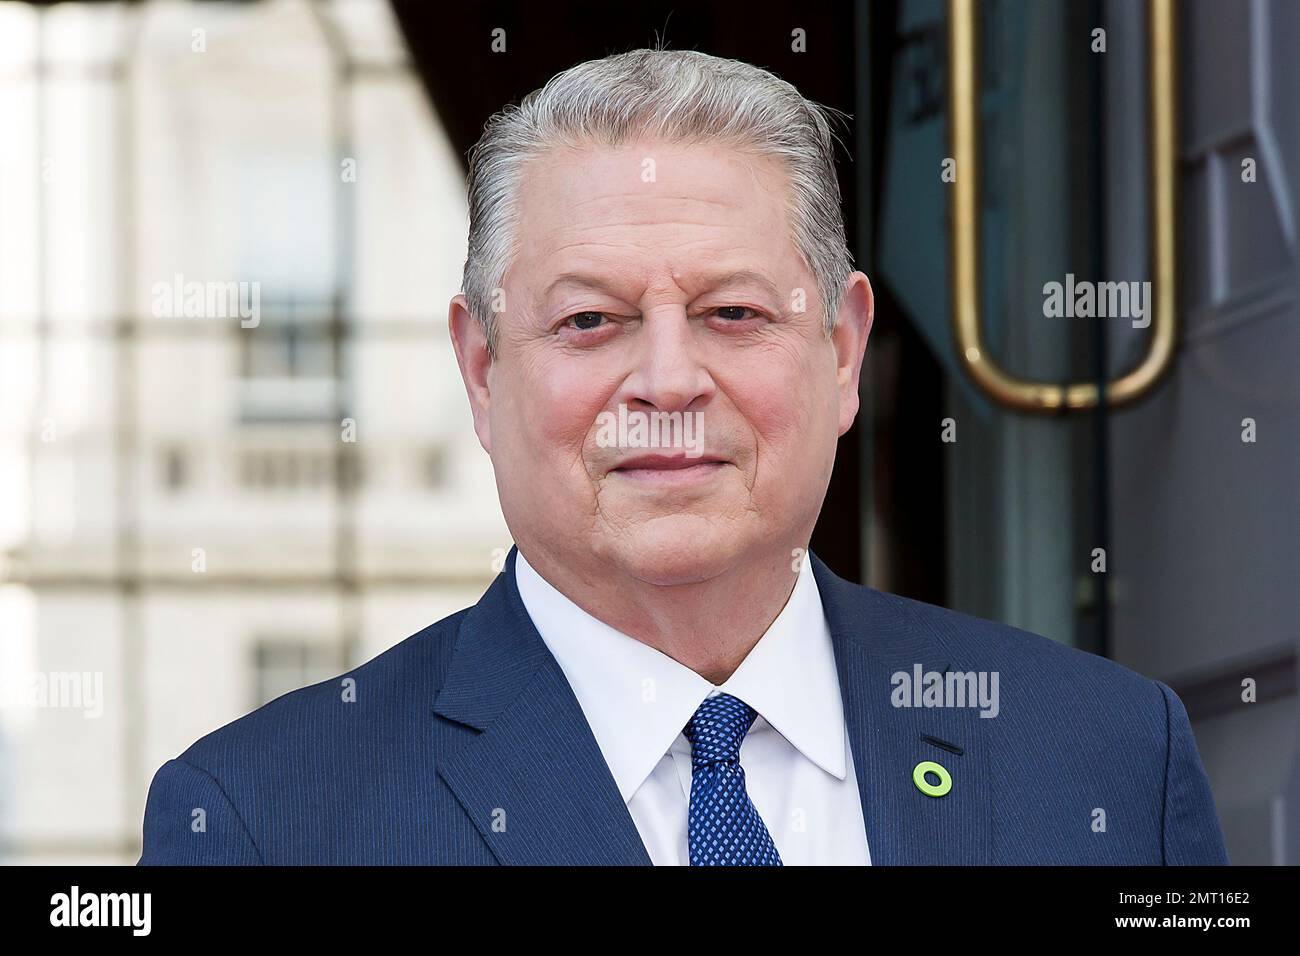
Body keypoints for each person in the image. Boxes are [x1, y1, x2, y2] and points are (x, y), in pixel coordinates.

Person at [139, 48, 1228, 866]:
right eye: (589, 321)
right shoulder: (262, 819)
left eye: (733, 311)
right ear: (482, 368)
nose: (667, 380)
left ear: (841, 350)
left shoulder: (1107, 759)